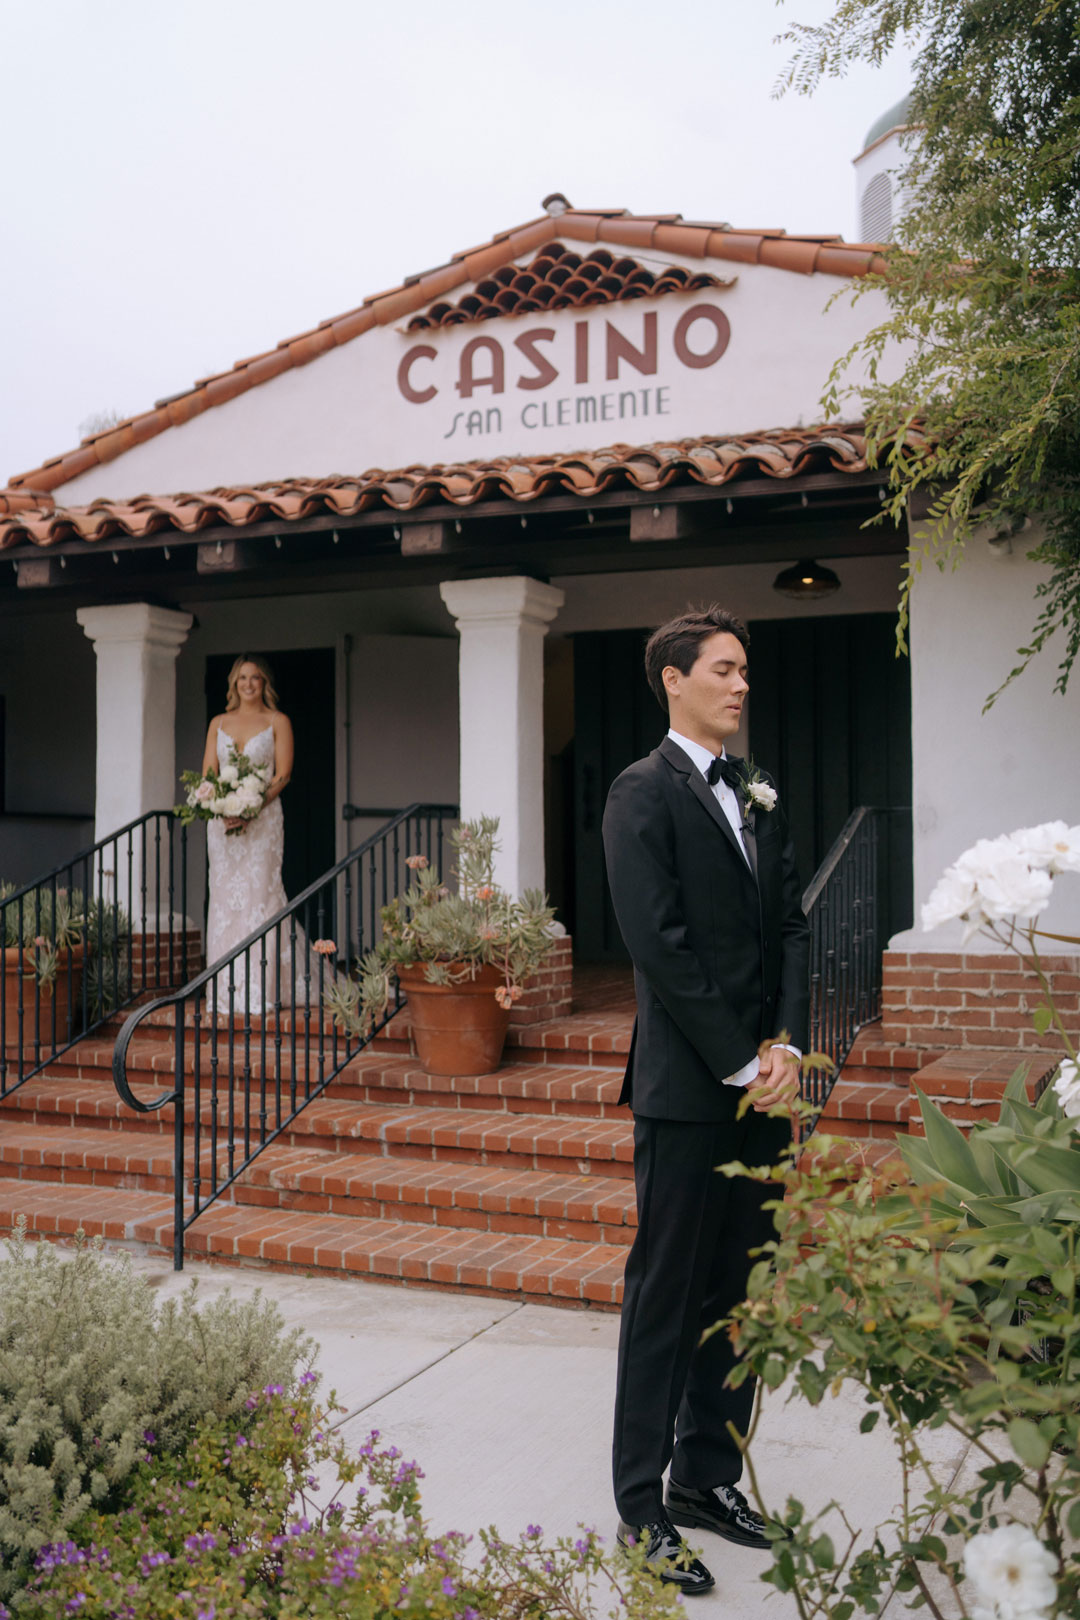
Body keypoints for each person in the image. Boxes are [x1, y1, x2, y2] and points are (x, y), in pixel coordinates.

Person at [601, 605, 810, 1597]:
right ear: (674, 678)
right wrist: (740, 1059)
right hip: (688, 1095)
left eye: (746, 671)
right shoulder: (639, 795)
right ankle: (642, 1506)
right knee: (668, 1300)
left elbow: (795, 929)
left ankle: (707, 1478)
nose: (742, 685)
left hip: (767, 1090)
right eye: (724, 669)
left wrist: (792, 1047)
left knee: (742, 1296)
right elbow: (660, 948)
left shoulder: (760, 797)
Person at [202, 654, 294, 1011]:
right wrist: (222, 807)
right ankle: (224, 991)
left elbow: (282, 775)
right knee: (225, 901)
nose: (249, 684)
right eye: (242, 678)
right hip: (222, 826)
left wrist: (251, 807)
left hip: (264, 821)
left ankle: (261, 989)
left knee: (260, 897)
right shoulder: (218, 722)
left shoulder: (277, 721)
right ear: (234, 684)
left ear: (264, 683)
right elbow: (209, 775)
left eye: (255, 678)